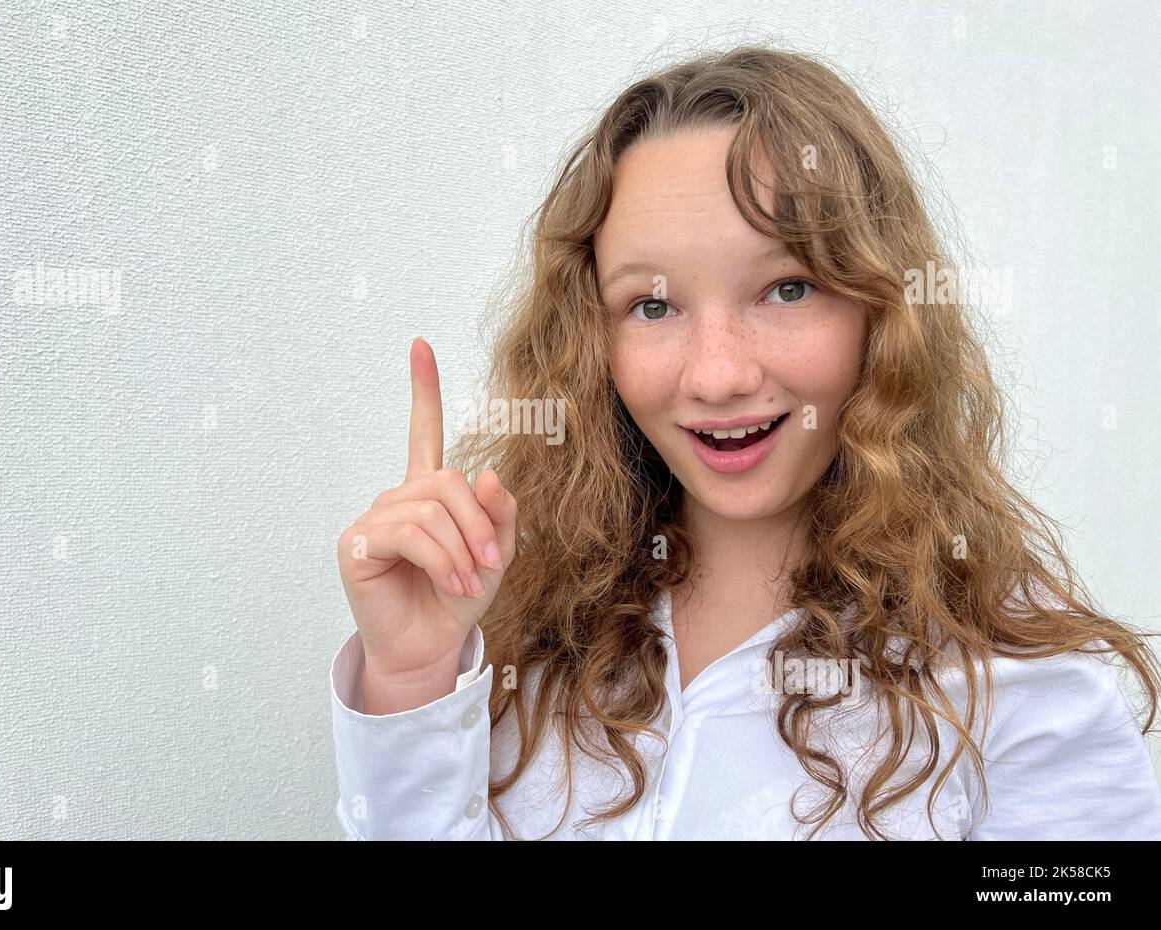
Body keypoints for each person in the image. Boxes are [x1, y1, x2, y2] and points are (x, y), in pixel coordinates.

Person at [329, 46, 1161, 840]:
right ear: (592, 339)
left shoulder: (1014, 683)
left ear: (883, 315)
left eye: (786, 289)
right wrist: (410, 683)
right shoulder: (521, 632)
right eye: (653, 307)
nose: (718, 375)